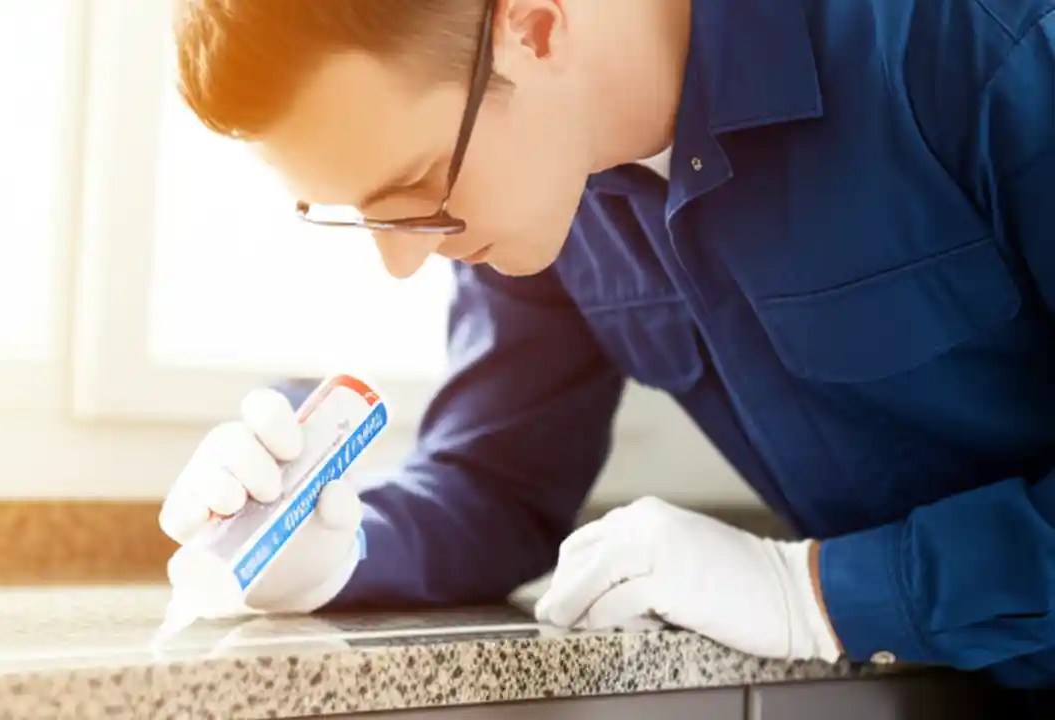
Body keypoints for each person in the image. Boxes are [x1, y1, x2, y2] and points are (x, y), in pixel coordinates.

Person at [158, 0, 1055, 693]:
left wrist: (818, 592)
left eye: (419, 185)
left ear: (538, 28)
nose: (404, 261)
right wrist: (336, 551)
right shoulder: (541, 181)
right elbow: (496, 484)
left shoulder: (985, 45)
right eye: (368, 215)